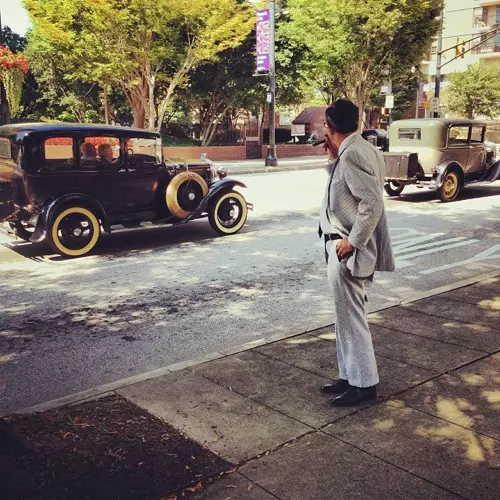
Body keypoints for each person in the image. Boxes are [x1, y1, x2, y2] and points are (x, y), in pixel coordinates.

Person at [319, 99, 395, 407]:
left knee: (352, 319)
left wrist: (352, 241)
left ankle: (364, 385)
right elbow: (345, 190)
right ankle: (350, 376)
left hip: (347, 251)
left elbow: (372, 203)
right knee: (345, 318)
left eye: (325, 125)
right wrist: (332, 157)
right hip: (343, 247)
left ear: (331, 126)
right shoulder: (361, 149)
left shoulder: (352, 154)